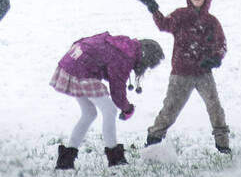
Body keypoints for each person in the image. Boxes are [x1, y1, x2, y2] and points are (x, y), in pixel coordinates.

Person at [136, 0, 231, 154]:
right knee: (170, 109)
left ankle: (223, 145)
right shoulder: (180, 15)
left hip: (204, 74)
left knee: (215, 108)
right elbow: (163, 24)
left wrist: (216, 58)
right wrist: (153, 7)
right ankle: (153, 140)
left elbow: (222, 44)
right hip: (181, 74)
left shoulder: (212, 22)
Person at [51, 32, 163, 168]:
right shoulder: (125, 57)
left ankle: (66, 160)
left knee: (89, 114)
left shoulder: (125, 46)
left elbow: (101, 55)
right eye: (149, 65)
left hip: (72, 61)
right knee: (109, 110)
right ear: (146, 58)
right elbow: (117, 90)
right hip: (81, 69)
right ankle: (115, 158)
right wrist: (127, 108)